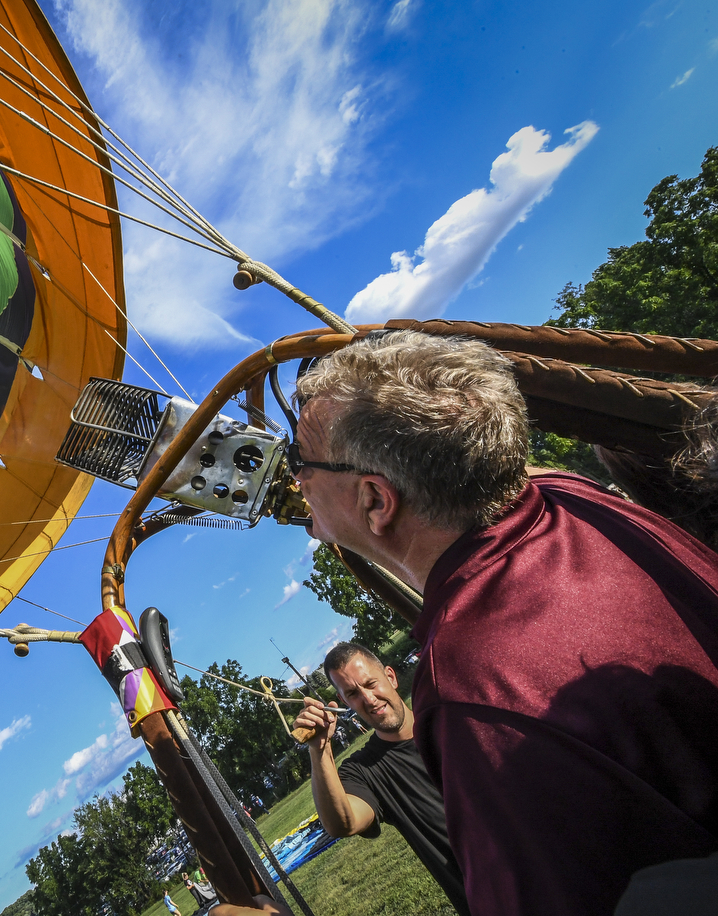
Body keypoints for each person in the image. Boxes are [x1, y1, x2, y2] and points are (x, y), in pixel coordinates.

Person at [287, 329, 718, 916]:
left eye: (300, 463)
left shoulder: (472, 693)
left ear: (376, 500)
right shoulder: (581, 498)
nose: (296, 480)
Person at [292, 642, 470, 914]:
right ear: (344, 702)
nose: (369, 699)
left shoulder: (456, 716)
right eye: (353, 693)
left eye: (371, 683)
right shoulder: (364, 770)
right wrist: (320, 750)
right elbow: (343, 823)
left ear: (391, 676)